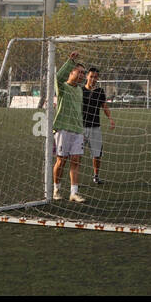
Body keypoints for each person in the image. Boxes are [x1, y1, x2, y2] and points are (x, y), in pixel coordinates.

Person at [51, 51, 86, 203]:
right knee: (61, 161)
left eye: (83, 73)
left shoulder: (80, 90)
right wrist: (70, 61)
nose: (82, 75)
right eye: (79, 72)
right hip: (63, 129)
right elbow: (57, 78)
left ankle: (74, 193)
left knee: (76, 161)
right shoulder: (63, 87)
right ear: (71, 73)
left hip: (78, 130)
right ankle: (56, 189)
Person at [82, 67, 114, 185]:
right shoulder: (80, 90)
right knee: (77, 154)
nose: (93, 79)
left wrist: (110, 118)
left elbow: (104, 106)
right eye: (91, 77)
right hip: (81, 127)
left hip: (95, 127)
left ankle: (96, 176)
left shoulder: (100, 91)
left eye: (95, 77)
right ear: (87, 77)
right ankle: (75, 180)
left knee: (97, 154)